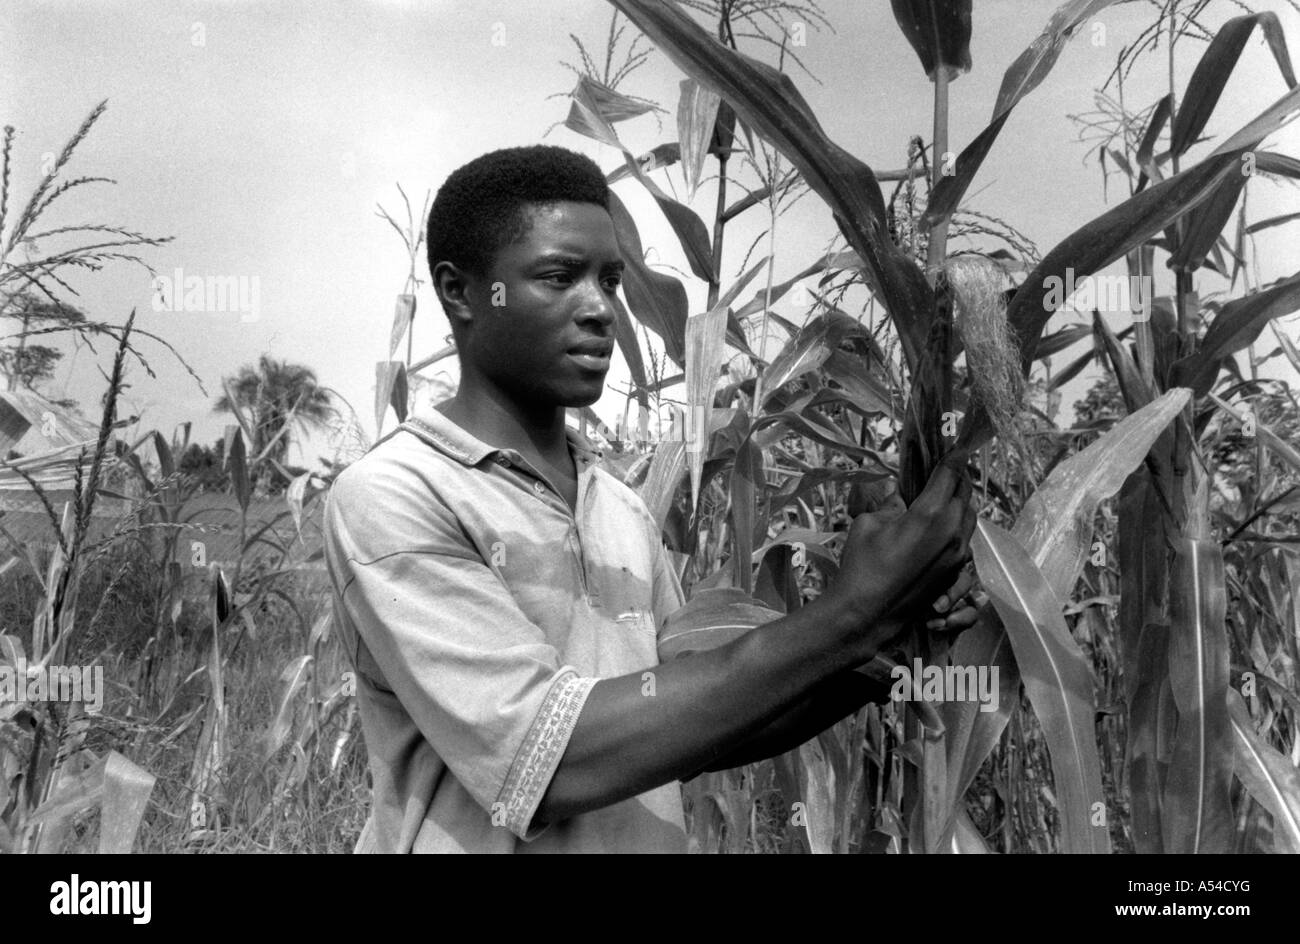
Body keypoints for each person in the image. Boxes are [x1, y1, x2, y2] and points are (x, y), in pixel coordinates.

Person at [323, 144, 978, 853]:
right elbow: (551, 762)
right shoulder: (396, 496)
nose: (601, 309)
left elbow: (694, 723)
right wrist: (852, 613)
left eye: (609, 280)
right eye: (558, 276)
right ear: (461, 292)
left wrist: (886, 641)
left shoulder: (619, 506)